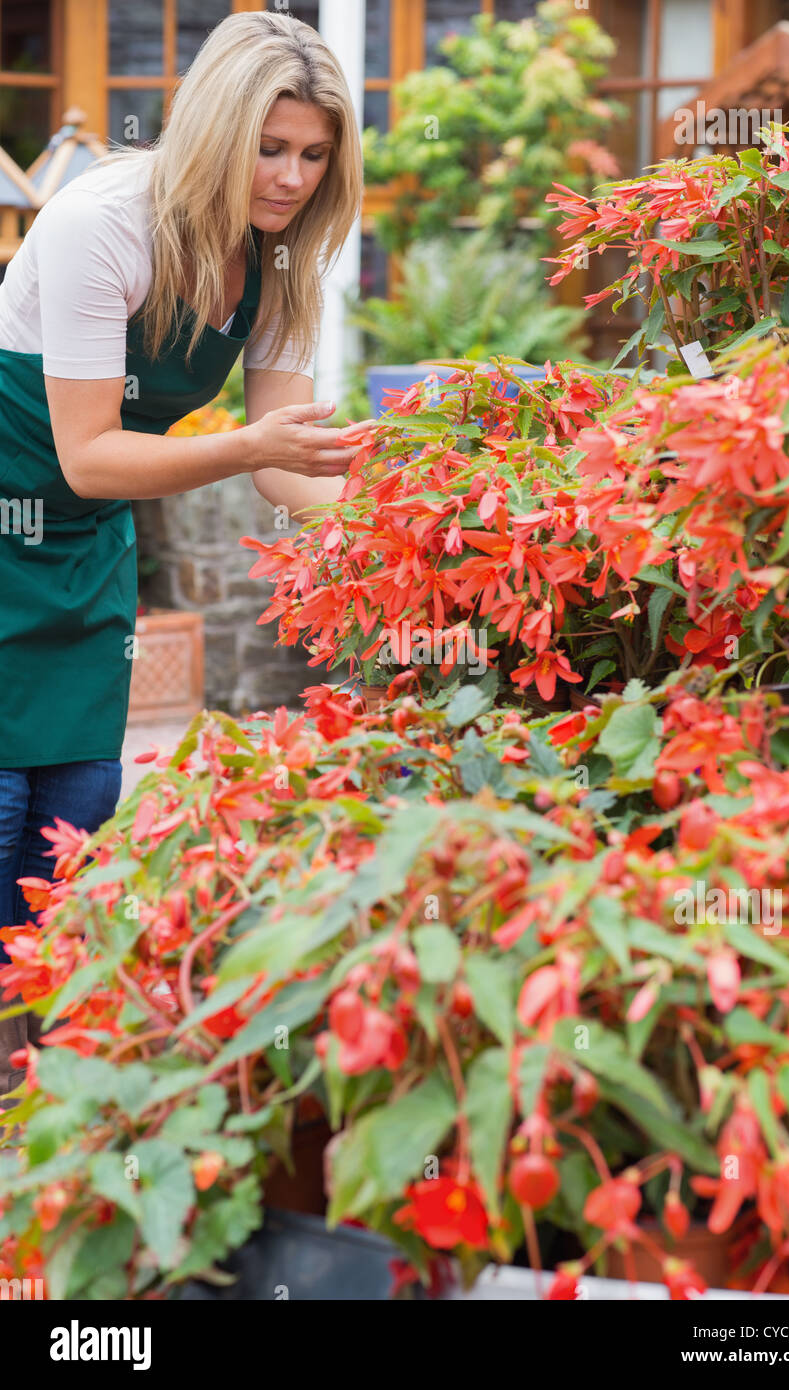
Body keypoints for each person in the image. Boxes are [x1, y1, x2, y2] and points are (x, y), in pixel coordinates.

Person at [0, 9, 366, 1099]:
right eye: (269, 147)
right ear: (215, 131)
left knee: (69, 827)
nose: (292, 177)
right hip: (33, 507)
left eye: (312, 154)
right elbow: (89, 454)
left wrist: (395, 494)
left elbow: (280, 468)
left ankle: (39, 1102)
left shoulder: (282, 255)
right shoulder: (100, 223)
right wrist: (255, 442)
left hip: (84, 559)